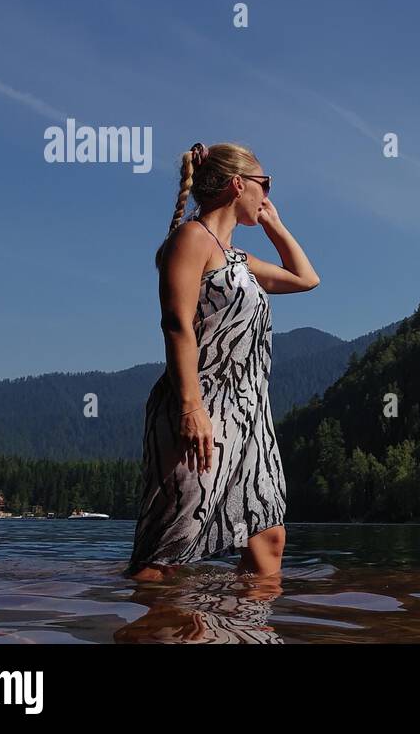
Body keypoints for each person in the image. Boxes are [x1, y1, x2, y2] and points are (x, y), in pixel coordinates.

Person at [123, 142, 320, 582]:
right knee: (164, 552)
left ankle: (244, 630)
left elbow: (307, 279)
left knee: (268, 539)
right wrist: (191, 409)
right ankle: (147, 630)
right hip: (201, 407)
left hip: (250, 415)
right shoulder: (192, 239)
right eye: (263, 184)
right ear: (238, 184)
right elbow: (176, 323)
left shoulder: (239, 260)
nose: (267, 194)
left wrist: (274, 223)